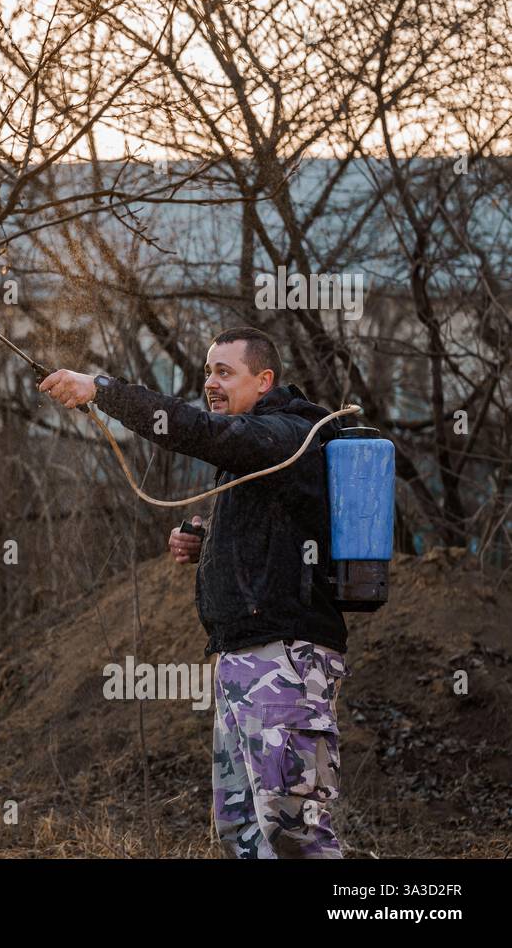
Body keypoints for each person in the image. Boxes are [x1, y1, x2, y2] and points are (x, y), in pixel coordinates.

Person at [40, 327, 350, 858]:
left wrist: (103, 390)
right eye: (207, 372)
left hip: (285, 662)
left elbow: (201, 432)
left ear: (265, 380)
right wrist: (205, 539)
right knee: (243, 833)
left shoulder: (285, 435)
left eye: (224, 372)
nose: (211, 383)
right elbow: (276, 529)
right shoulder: (258, 442)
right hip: (242, 661)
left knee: (295, 833)